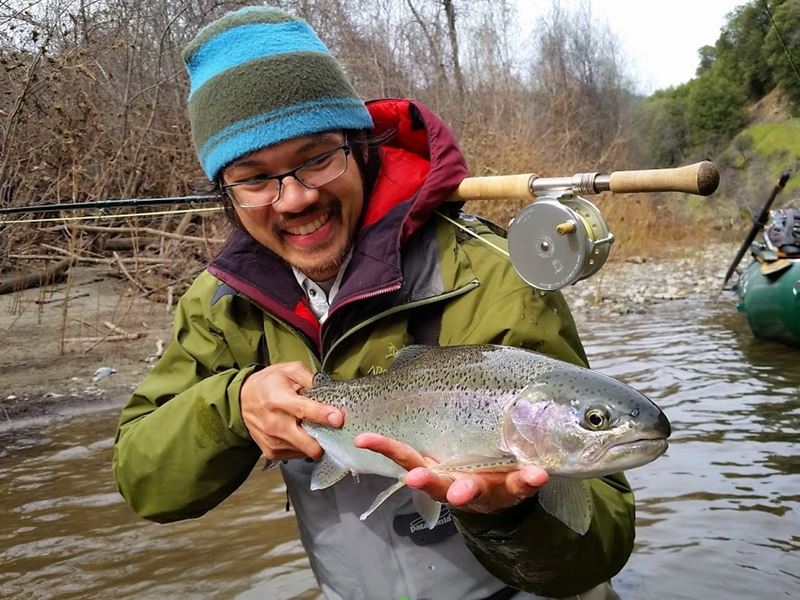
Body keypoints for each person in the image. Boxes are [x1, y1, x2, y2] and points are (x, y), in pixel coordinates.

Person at [112, 6, 634, 599]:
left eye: (316, 158)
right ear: (226, 194)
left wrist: (510, 514)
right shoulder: (222, 307)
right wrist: (235, 406)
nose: (294, 199)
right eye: (254, 178)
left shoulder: (486, 273)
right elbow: (144, 482)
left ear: (359, 147)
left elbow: (603, 541)